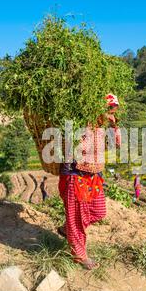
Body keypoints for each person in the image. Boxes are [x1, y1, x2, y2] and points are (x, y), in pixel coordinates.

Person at [57, 93, 121, 270]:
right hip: (76, 174)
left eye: (114, 110)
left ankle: (66, 229)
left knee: (99, 211)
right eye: (109, 109)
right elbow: (77, 147)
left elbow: (118, 143)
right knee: (76, 217)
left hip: (94, 176)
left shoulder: (104, 126)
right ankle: (79, 255)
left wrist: (115, 125)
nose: (111, 113)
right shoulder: (82, 123)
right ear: (98, 108)